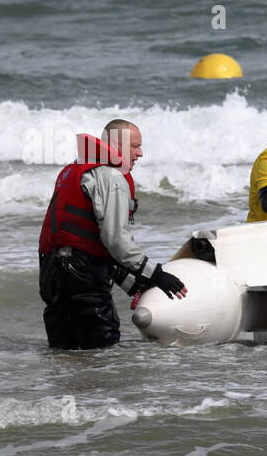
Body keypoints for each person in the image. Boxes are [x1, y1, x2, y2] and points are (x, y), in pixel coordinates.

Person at [38, 119, 187, 350]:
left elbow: (89, 242)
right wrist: (156, 275)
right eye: (135, 146)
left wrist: (132, 285)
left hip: (52, 272)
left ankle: (65, 386)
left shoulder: (74, 170)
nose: (141, 153)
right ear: (116, 145)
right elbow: (115, 240)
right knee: (102, 350)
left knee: (64, 352)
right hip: (80, 275)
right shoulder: (112, 177)